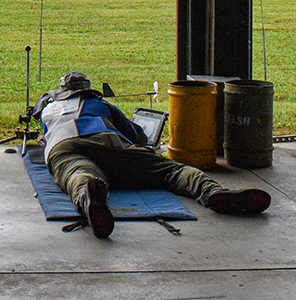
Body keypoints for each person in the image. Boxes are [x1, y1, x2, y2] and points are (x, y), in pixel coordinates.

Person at [34, 71, 271, 238]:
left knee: (78, 173)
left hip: (63, 145)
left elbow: (44, 137)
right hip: (107, 139)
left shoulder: (48, 110)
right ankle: (213, 192)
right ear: (88, 90)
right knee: (173, 171)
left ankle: (90, 197)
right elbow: (139, 136)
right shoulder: (101, 104)